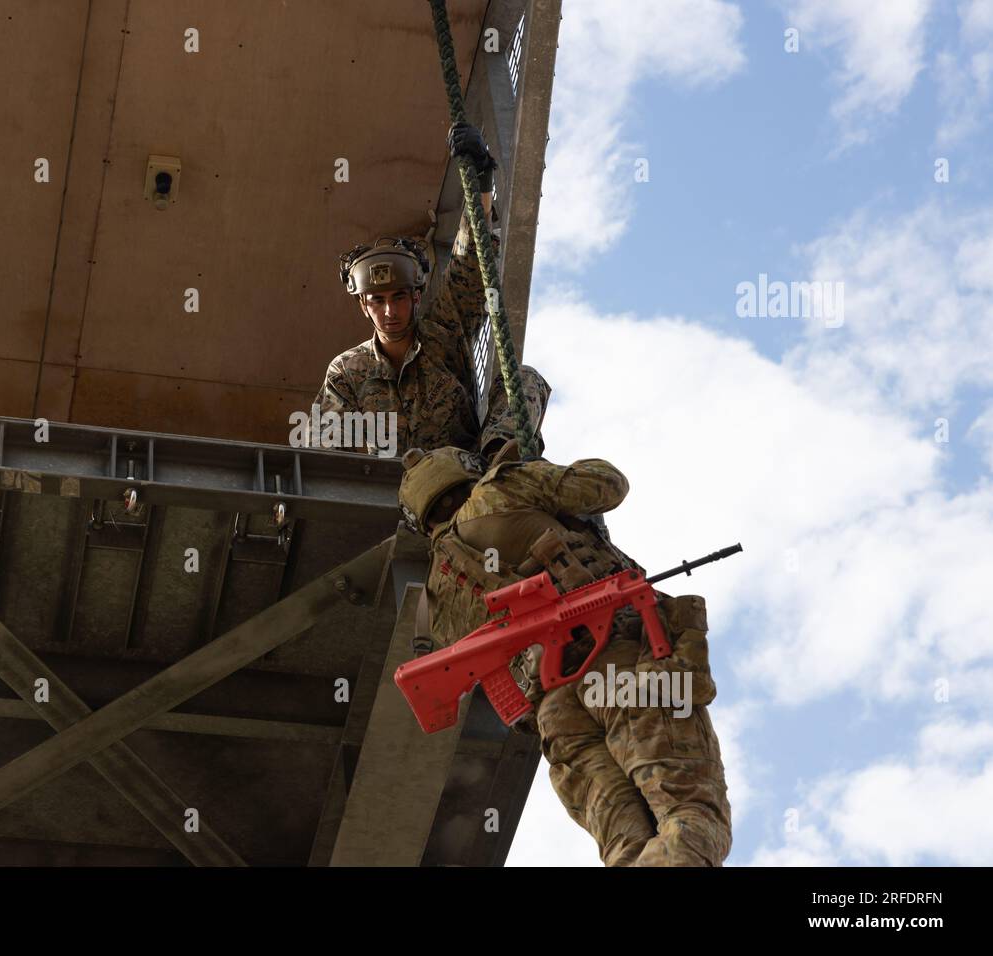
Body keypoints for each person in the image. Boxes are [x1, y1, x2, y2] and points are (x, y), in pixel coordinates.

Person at [398, 442, 733, 866]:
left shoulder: (438, 589)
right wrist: (533, 472)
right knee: (691, 813)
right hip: (620, 665)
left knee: (625, 847)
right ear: (468, 474)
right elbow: (609, 484)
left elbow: (485, 668)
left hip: (558, 715)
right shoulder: (499, 490)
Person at [312, 122, 549, 459]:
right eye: (377, 301)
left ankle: (501, 461)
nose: (390, 312)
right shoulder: (348, 370)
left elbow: (471, 258)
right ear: (364, 306)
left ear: (417, 297)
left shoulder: (445, 332)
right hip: (396, 485)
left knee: (524, 379)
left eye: (399, 298)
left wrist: (481, 177)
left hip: (466, 471)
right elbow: (322, 447)